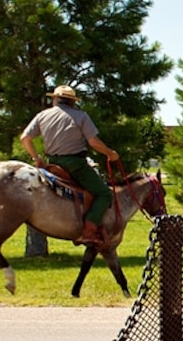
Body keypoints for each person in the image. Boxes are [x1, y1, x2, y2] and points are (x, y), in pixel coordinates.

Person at [19, 85, 120, 247]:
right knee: (104, 193)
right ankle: (88, 230)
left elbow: (25, 138)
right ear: (72, 102)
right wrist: (110, 154)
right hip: (75, 164)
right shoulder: (81, 116)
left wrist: (36, 158)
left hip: (53, 164)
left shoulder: (42, 115)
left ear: (56, 99)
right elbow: (93, 142)